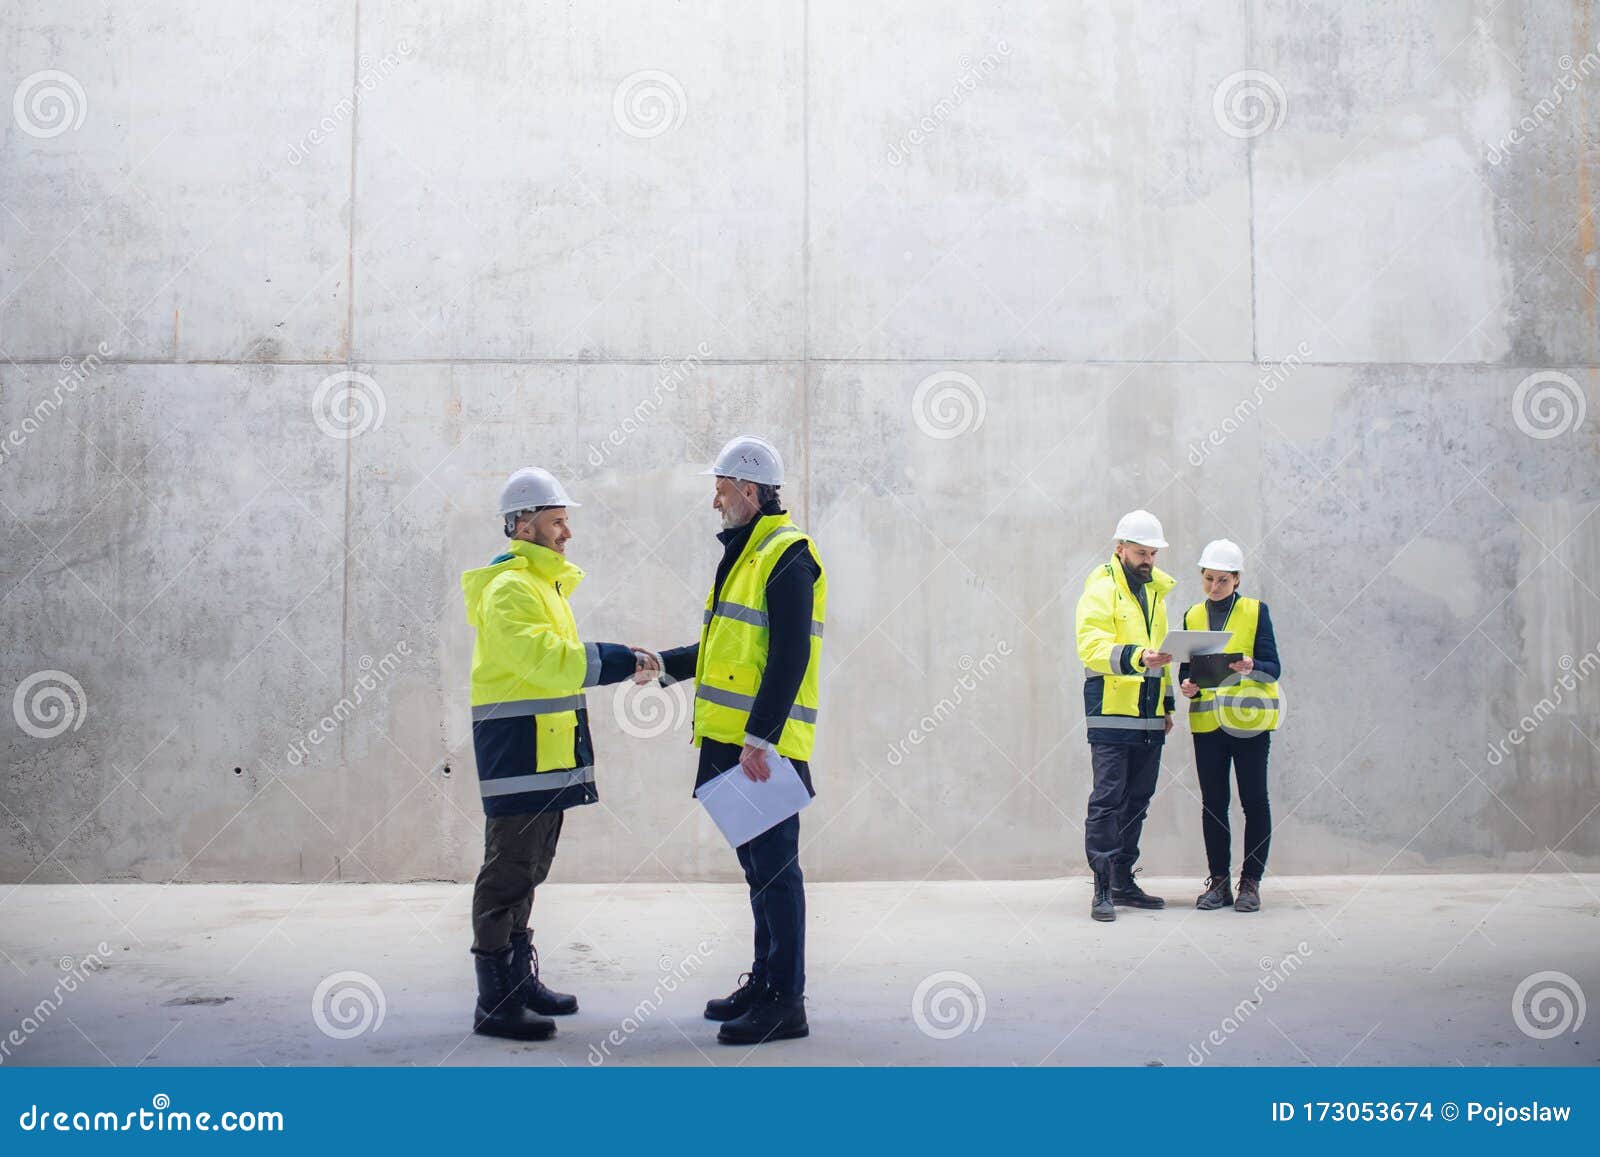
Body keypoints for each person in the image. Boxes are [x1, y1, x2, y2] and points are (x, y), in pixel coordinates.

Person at [634, 434, 826, 1045]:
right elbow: (724, 649)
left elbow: (791, 654)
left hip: (759, 746)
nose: (714, 500)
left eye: (719, 488)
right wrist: (658, 663)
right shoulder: (745, 554)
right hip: (730, 739)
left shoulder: (787, 553)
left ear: (748, 489)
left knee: (776, 870)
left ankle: (785, 1002)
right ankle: (766, 981)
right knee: (756, 868)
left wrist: (761, 739)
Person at [460, 467, 649, 1041]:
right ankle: (495, 1001)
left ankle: (518, 981)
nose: (566, 532)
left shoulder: (544, 586)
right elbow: (548, 660)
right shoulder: (512, 588)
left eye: (566, 521)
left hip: (543, 752)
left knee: (531, 868)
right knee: (508, 872)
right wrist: (620, 660)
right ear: (522, 525)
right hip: (518, 752)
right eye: (556, 521)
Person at [1074, 509, 1176, 922]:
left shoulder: (1154, 594)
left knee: (1137, 801)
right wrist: (1137, 657)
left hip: (1149, 713)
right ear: (1119, 549)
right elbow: (1091, 646)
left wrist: (1167, 703)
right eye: (1140, 552)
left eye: (1152, 553)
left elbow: (1164, 654)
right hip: (1113, 710)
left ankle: (1122, 880)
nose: (1148, 560)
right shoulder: (1101, 589)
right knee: (1108, 801)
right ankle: (1101, 886)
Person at [1177, 539, 1282, 913]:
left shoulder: (1256, 612)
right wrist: (1186, 687)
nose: (1215, 587)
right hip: (1208, 725)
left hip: (1248, 722)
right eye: (1208, 579)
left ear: (1237, 579)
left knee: (1254, 801)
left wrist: (1253, 666)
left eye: (1223, 580)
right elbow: (1187, 672)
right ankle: (1218, 883)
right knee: (1214, 804)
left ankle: (1250, 883)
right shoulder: (1192, 615)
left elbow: (1274, 668)